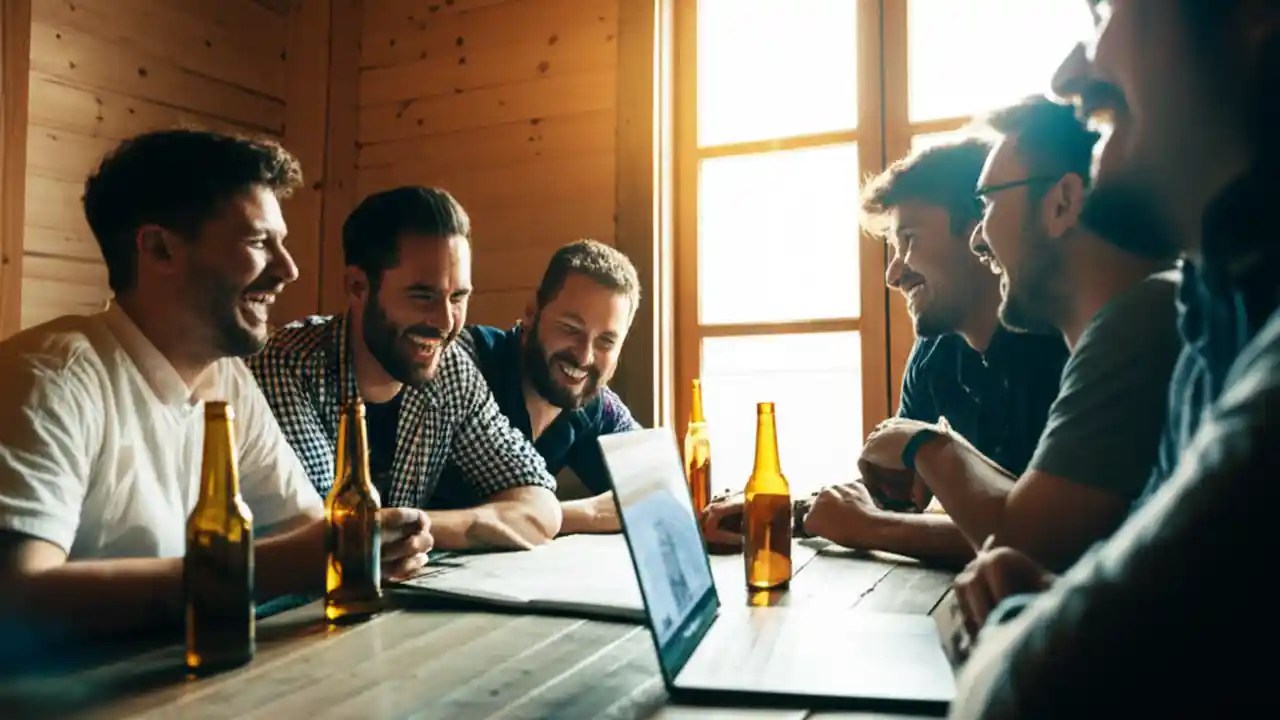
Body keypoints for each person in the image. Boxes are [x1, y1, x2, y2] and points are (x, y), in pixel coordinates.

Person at [950, 1, 1280, 715]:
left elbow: (1024, 696)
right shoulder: (1212, 304)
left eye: (1104, 7)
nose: (1071, 73)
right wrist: (1069, 603)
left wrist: (1034, 625)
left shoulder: (1168, 318)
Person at [0, 130, 432, 647]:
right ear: (160, 248)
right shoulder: (51, 376)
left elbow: (304, 530)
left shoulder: (226, 379)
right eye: (258, 243)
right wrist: (279, 567)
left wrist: (370, 547)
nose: (288, 269)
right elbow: (17, 597)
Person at [700, 139, 1068, 566]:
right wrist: (792, 511)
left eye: (909, 240)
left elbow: (1044, 537)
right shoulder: (935, 353)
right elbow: (892, 494)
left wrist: (868, 528)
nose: (894, 273)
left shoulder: (1064, 347)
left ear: (978, 233)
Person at [860, 96, 1180, 574]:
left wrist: (925, 446)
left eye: (988, 204)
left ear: (1063, 203)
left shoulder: (1137, 329)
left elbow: (1033, 541)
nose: (978, 239)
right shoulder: (1129, 326)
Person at [248, 186, 562, 551]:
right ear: (357, 286)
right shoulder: (288, 364)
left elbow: (541, 509)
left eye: (458, 297)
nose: (446, 322)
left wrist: (427, 524)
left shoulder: (452, 369)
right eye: (422, 296)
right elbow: (328, 532)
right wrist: (481, 524)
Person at [431, 239, 643, 535]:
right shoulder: (464, 364)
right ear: (532, 312)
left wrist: (540, 516)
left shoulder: (594, 404)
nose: (584, 356)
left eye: (606, 341)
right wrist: (588, 514)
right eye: (570, 328)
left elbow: (653, 491)